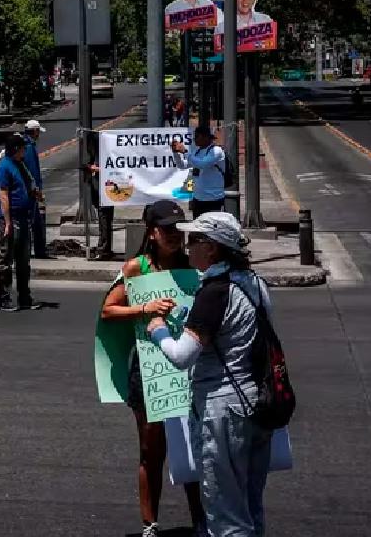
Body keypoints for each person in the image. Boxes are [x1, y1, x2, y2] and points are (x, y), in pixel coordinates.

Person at [149, 211, 276, 537]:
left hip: (223, 409)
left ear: (213, 249)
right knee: (249, 504)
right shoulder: (254, 283)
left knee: (225, 514)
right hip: (257, 403)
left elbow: (182, 356)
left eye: (194, 241)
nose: (187, 247)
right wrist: (184, 312)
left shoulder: (214, 292)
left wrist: (159, 331)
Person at [99, 201, 206, 537]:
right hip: (149, 372)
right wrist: (145, 307)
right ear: (152, 233)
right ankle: (150, 524)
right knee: (151, 449)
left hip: (188, 372)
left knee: (190, 448)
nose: (174, 235)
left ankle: (201, 521)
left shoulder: (193, 269)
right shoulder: (136, 268)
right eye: (167, 230)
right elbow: (108, 310)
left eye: (178, 229)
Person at [0, 134, 36, 311]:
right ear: (16, 149)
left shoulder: (20, 165)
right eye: (23, 148)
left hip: (23, 216)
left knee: (23, 258)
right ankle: (4, 298)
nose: (25, 151)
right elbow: (3, 195)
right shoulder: (4, 167)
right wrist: (8, 222)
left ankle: (24, 296)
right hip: (10, 218)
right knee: (7, 258)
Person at [171, 127, 228, 219]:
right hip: (198, 198)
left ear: (206, 137)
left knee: (212, 229)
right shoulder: (197, 151)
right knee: (198, 229)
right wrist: (176, 153)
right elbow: (182, 165)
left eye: (197, 137)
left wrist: (185, 152)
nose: (195, 139)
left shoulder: (216, 151)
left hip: (213, 199)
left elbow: (202, 164)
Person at [84, 136, 115, 260]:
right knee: (105, 220)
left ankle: (104, 249)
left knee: (105, 220)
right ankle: (104, 247)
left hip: (104, 191)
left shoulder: (102, 155)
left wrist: (96, 169)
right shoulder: (102, 154)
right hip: (103, 191)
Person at [21, 120, 49, 259]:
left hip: (27, 190)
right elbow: (32, 171)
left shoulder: (24, 144)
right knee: (35, 221)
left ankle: (36, 249)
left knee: (33, 221)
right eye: (38, 131)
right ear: (35, 131)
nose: (39, 135)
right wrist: (37, 190)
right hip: (31, 191)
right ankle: (38, 251)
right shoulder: (30, 146)